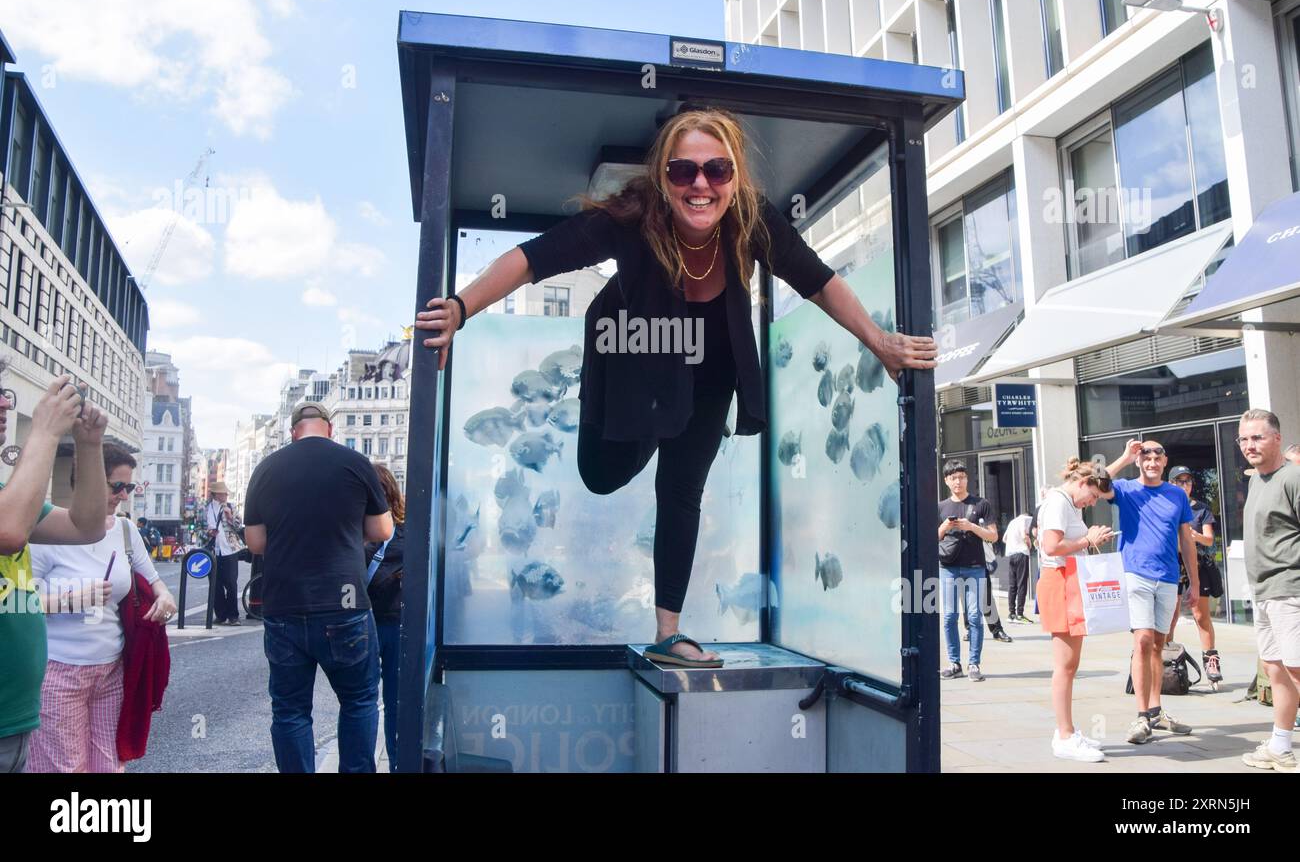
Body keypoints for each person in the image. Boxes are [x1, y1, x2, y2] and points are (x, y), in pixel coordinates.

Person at [414, 107, 937, 667]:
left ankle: (669, 632)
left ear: (735, 177)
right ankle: (645, 426)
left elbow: (819, 281)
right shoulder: (631, 217)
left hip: (711, 366)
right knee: (602, 475)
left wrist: (879, 341)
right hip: (627, 352)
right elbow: (531, 260)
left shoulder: (752, 220)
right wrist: (461, 308)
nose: (701, 185)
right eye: (682, 171)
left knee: (682, 488)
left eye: (717, 170)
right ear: (662, 180)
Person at [243, 401, 393, 773]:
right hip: (344, 602)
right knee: (358, 701)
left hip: (284, 604)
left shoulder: (266, 468)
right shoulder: (355, 463)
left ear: (294, 431)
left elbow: (256, 542)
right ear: (330, 429)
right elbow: (382, 530)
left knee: (290, 709)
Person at [26, 445, 177, 772]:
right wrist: (70, 600)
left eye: (129, 487)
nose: (123, 495)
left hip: (112, 669)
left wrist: (165, 598)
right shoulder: (46, 532)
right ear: (86, 481)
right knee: (64, 768)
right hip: (57, 670)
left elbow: (154, 580)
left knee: (110, 764)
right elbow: (18, 602)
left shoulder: (125, 530)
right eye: (115, 486)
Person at [0, 372, 109, 773]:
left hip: (14, 719)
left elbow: (87, 526)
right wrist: (44, 432)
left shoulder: (3, 493)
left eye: (3, 394)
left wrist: (89, 445)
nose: (5, 405)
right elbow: (9, 532)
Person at [1104, 439, 1199, 744]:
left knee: (1159, 644)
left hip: (1168, 578)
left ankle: (1156, 711)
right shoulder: (1126, 489)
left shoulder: (1176, 495)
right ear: (1139, 460)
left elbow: (1186, 541)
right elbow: (1095, 481)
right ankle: (1141, 716)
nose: (1152, 459)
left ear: (1165, 461)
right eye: (1146, 455)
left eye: (1158, 455)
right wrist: (1123, 456)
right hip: (1136, 574)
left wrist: (1194, 583)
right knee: (1142, 641)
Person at [1235, 409, 1300, 771]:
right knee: (1275, 669)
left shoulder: (1293, 478)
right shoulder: (1258, 480)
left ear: (1277, 437)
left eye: (1257, 437)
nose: (1249, 445)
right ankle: (1280, 746)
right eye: (1244, 439)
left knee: (1296, 667)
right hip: (1264, 592)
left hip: (1291, 589)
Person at [1037, 458, 1114, 762]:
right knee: (1065, 666)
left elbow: (1103, 475)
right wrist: (1087, 539)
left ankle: (1065, 731)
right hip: (1059, 580)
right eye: (1093, 496)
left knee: (1069, 665)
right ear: (1083, 483)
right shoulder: (1059, 503)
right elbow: (1051, 546)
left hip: (1065, 579)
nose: (1092, 502)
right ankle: (1065, 735)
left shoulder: (1067, 500)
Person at [937, 460, 1001, 681]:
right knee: (949, 617)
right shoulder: (941, 507)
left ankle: (974, 663)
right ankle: (954, 663)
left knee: (974, 616)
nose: (958, 481)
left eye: (962, 477)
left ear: (967, 479)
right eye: (953, 477)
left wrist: (971, 526)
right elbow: (930, 539)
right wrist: (944, 527)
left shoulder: (981, 504)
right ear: (946, 480)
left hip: (975, 567)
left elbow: (993, 536)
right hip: (948, 568)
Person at [1164, 465, 1222, 687]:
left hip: (1198, 565)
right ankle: (1167, 662)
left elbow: (1209, 539)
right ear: (1171, 484)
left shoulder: (1201, 509)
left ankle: (1211, 662)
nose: (1184, 485)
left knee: (1200, 615)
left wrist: (1194, 535)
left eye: (1187, 481)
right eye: (1180, 481)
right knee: (1171, 615)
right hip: (1174, 565)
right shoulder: (1167, 506)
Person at [365, 463, 405, 769]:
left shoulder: (357, 530)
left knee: (360, 703)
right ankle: (396, 764)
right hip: (400, 623)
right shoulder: (411, 528)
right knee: (395, 703)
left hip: (364, 623)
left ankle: (360, 764)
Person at [205, 481, 245, 625]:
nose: (226, 495)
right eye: (223, 493)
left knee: (231, 583)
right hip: (213, 550)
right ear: (216, 494)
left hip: (230, 549)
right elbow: (201, 527)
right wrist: (208, 532)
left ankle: (233, 616)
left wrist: (230, 517)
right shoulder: (207, 508)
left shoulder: (231, 507)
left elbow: (239, 526)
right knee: (215, 584)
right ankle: (221, 614)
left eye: (226, 493)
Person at [1003, 508, 1034, 624]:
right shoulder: (1024, 520)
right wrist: (1029, 544)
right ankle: (1020, 614)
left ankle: (1011, 614)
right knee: (1022, 584)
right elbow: (1024, 535)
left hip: (1012, 555)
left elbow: (1004, 539)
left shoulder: (1012, 522)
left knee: (1012, 585)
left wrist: (1013, 543)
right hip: (1021, 554)